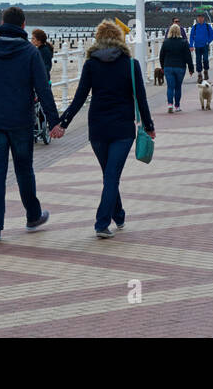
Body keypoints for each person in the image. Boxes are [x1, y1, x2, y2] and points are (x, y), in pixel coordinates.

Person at [51, 20, 154, 238]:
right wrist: (149, 126)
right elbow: (141, 99)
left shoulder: (91, 64)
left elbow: (79, 98)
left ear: (98, 39)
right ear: (119, 39)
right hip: (123, 129)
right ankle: (101, 224)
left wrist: (63, 123)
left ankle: (119, 215)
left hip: (97, 128)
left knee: (110, 175)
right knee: (111, 176)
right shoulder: (130, 64)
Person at [0, 6, 60, 242]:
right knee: (24, 169)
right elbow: (43, 87)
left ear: (2, 22)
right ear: (23, 25)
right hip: (20, 120)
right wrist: (54, 121)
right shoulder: (30, 51)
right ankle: (32, 216)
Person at [159, 23, 194, 113]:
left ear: (170, 31)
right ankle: (177, 106)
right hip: (180, 67)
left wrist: (162, 67)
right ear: (179, 32)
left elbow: (161, 56)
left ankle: (170, 104)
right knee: (178, 87)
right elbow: (188, 56)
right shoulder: (184, 42)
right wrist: (191, 69)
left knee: (170, 87)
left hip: (168, 67)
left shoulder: (166, 42)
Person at [189, 12, 213, 81]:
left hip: (205, 46)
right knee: (198, 60)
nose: (200, 19)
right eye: (199, 18)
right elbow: (191, 37)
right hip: (197, 46)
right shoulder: (194, 27)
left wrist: (208, 41)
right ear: (197, 19)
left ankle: (206, 71)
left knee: (206, 59)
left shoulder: (207, 26)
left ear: (203, 18)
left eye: (201, 17)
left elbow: (212, 35)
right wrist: (191, 45)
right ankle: (199, 75)